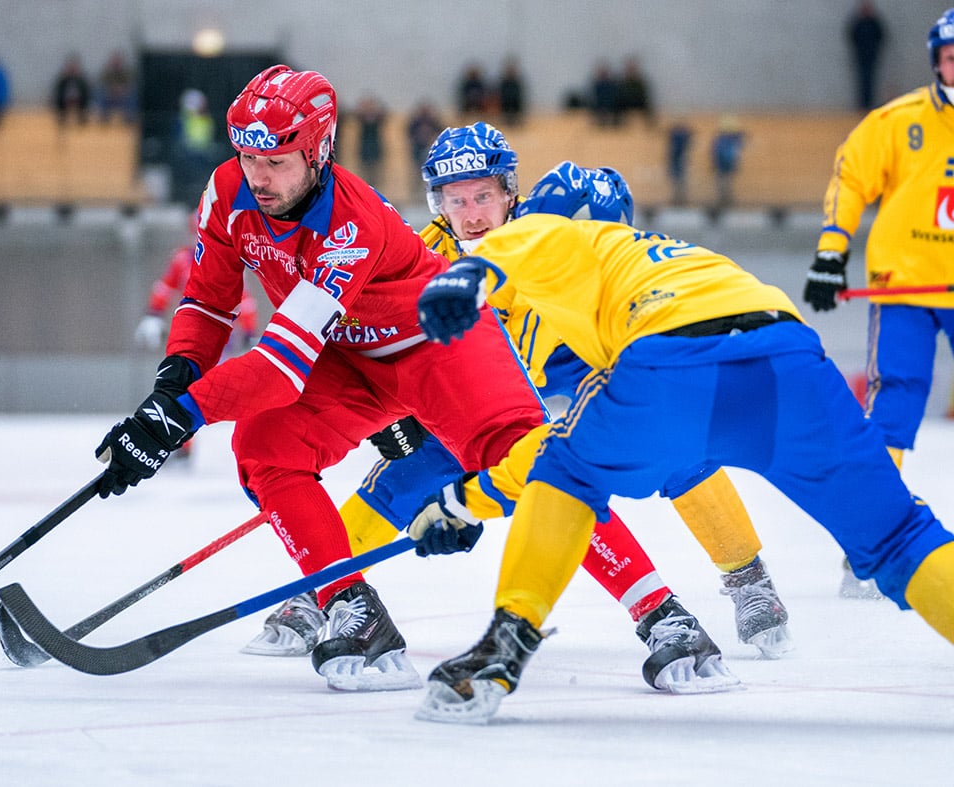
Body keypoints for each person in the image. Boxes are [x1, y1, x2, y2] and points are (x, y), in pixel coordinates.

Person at [245, 126, 788, 690]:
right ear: (437, 204)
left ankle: (743, 576)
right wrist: (397, 418)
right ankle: (328, 589)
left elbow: (512, 386)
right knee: (403, 477)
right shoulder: (423, 249)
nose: (472, 213)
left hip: (567, 350)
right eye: (456, 200)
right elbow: (381, 336)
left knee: (651, 451)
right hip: (480, 372)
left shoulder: (536, 248)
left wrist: (453, 458)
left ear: (510, 194)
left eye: (483, 196)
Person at [408, 166, 954, 724]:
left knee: (567, 475)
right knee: (900, 537)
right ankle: (752, 581)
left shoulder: (556, 234)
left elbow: (505, 256)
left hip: (669, 361)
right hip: (789, 356)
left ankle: (503, 649)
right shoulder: (676, 252)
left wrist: (461, 501)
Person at [92, 65, 547, 693]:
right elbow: (207, 301)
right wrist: (170, 391)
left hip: (438, 347)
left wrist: (180, 418)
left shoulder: (351, 221)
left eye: (276, 159)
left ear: (318, 150)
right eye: (248, 155)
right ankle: (351, 608)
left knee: (537, 465)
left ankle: (661, 612)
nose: (258, 174)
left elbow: (280, 366)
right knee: (262, 447)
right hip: (350, 355)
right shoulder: (227, 193)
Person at [804, 9, 954, 600]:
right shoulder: (898, 121)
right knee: (895, 404)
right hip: (906, 286)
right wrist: (830, 251)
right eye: (949, 55)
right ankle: (870, 542)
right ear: (935, 60)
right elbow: (851, 178)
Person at [134, 212, 259, 356]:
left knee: (215, 371)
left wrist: (249, 333)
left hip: (221, 328)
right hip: (189, 324)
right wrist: (154, 314)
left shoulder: (229, 261)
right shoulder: (181, 258)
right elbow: (165, 288)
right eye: (196, 233)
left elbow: (244, 300)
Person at [848, 1, 888, 111]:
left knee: (871, 80)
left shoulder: (874, 23)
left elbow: (881, 35)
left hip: (872, 56)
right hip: (861, 56)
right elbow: (852, 35)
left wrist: (875, 48)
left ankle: (870, 103)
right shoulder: (858, 23)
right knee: (862, 81)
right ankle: (862, 104)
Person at [710, 114, 744, 210]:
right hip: (723, 160)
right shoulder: (724, 139)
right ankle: (724, 196)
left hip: (726, 160)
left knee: (725, 178)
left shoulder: (727, 138)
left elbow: (715, 149)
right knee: (724, 178)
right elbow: (716, 150)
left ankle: (726, 195)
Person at [353, 94, 387, 188]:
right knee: (365, 169)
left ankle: (376, 186)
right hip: (364, 145)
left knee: (376, 169)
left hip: (375, 145)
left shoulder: (377, 117)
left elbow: (384, 113)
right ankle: (365, 186)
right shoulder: (362, 117)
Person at [51, 54, 92, 126]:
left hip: (79, 98)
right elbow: (58, 89)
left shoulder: (81, 79)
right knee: (59, 99)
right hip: (65, 99)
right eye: (70, 66)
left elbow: (86, 89)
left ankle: (82, 119)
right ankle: (62, 118)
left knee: (86, 100)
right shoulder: (63, 79)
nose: (72, 68)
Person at [98, 49, 137, 124]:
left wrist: (122, 90)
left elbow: (130, 84)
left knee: (133, 95)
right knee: (100, 93)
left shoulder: (127, 72)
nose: (116, 63)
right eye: (115, 61)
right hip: (109, 96)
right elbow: (102, 83)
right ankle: (104, 117)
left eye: (118, 61)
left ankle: (129, 117)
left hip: (124, 96)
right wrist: (112, 90)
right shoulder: (106, 72)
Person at [617, 55, 654, 126]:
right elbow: (620, 94)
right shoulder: (623, 82)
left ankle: (649, 125)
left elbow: (643, 94)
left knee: (647, 107)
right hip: (626, 103)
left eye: (632, 68)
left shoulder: (640, 82)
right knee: (618, 106)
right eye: (629, 68)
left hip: (638, 102)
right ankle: (618, 126)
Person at [667, 120, 693, 205]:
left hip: (678, 161)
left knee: (680, 181)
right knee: (679, 181)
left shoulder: (677, 139)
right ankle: (679, 198)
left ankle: (680, 198)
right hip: (678, 161)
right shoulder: (681, 139)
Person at [497, 56, 526, 126]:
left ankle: (517, 121)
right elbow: (501, 92)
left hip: (515, 101)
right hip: (505, 101)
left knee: (517, 104)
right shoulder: (504, 82)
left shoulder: (517, 81)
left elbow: (519, 92)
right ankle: (506, 121)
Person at [590, 61, 621, 127]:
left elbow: (614, 96)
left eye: (605, 72)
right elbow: (595, 97)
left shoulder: (612, 84)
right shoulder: (597, 85)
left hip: (611, 105)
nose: (603, 74)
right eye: (602, 72)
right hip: (600, 105)